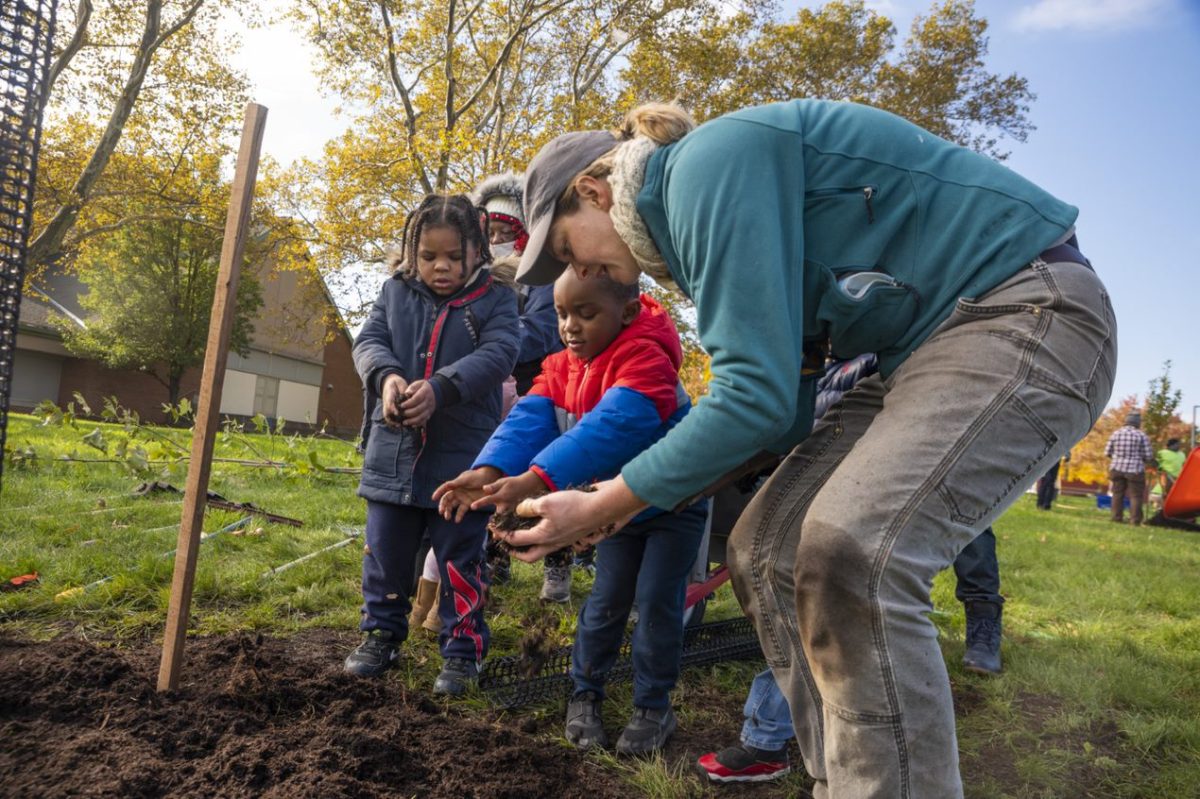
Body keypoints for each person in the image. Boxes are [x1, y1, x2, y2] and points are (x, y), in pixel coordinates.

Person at [498, 100, 1115, 797]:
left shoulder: (702, 169)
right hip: (914, 354)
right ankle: (843, 781)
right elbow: (785, 408)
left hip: (1023, 308)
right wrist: (624, 504)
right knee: (768, 551)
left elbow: (752, 395)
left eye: (563, 246)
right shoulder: (700, 230)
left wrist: (607, 497)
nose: (577, 265)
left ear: (593, 191)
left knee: (853, 552)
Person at [435, 268, 706, 755]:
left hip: (671, 504)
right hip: (612, 508)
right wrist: (488, 470)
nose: (569, 327)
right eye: (562, 314)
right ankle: (585, 694)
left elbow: (614, 426)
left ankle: (652, 707)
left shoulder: (647, 357)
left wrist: (535, 480)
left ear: (626, 314)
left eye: (586, 314)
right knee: (605, 602)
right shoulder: (562, 367)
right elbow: (529, 418)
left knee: (657, 603)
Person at [698, 356, 1006, 784]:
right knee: (774, 572)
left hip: (867, 476)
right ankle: (797, 748)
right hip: (814, 471)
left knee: (830, 594)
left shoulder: (883, 353)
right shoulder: (822, 365)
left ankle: (780, 740)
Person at [344, 193, 518, 698]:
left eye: (453, 257)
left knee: (461, 557)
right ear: (412, 253)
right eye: (428, 256)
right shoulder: (394, 293)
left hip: (460, 460)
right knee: (384, 553)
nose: (440, 266)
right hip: (391, 453)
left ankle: (463, 652)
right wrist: (388, 378)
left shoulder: (496, 299)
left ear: (477, 252)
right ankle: (380, 635)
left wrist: (441, 388)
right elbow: (368, 342)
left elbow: (501, 354)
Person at [471, 173, 572, 599]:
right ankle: (496, 557)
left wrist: (492, 343)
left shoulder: (541, 276)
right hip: (496, 388)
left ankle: (558, 564)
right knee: (499, 471)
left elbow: (545, 331)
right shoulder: (479, 277)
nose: (496, 239)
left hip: (542, 385)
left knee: (552, 475)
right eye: (488, 232)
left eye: (503, 231)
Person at [1105, 410, 1154, 526]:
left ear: (1126, 421)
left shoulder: (1116, 433)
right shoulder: (1141, 435)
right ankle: (1134, 520)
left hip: (1116, 468)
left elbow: (1107, 452)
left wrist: (1118, 458)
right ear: (1138, 423)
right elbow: (1148, 456)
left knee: (1117, 493)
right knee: (1136, 496)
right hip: (1135, 470)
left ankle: (1116, 518)